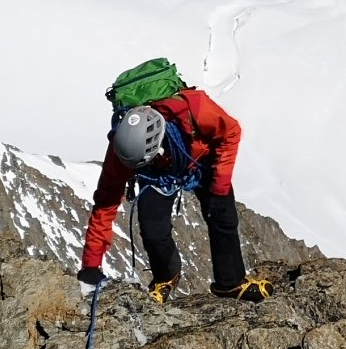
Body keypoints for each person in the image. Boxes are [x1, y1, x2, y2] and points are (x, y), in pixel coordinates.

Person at [76, 74, 270, 302]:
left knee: (222, 216)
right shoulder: (122, 150)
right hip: (159, 172)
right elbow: (105, 203)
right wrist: (91, 265)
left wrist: (220, 185)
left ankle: (231, 282)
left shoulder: (195, 109)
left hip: (202, 157)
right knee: (152, 228)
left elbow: (231, 132)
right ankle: (165, 276)